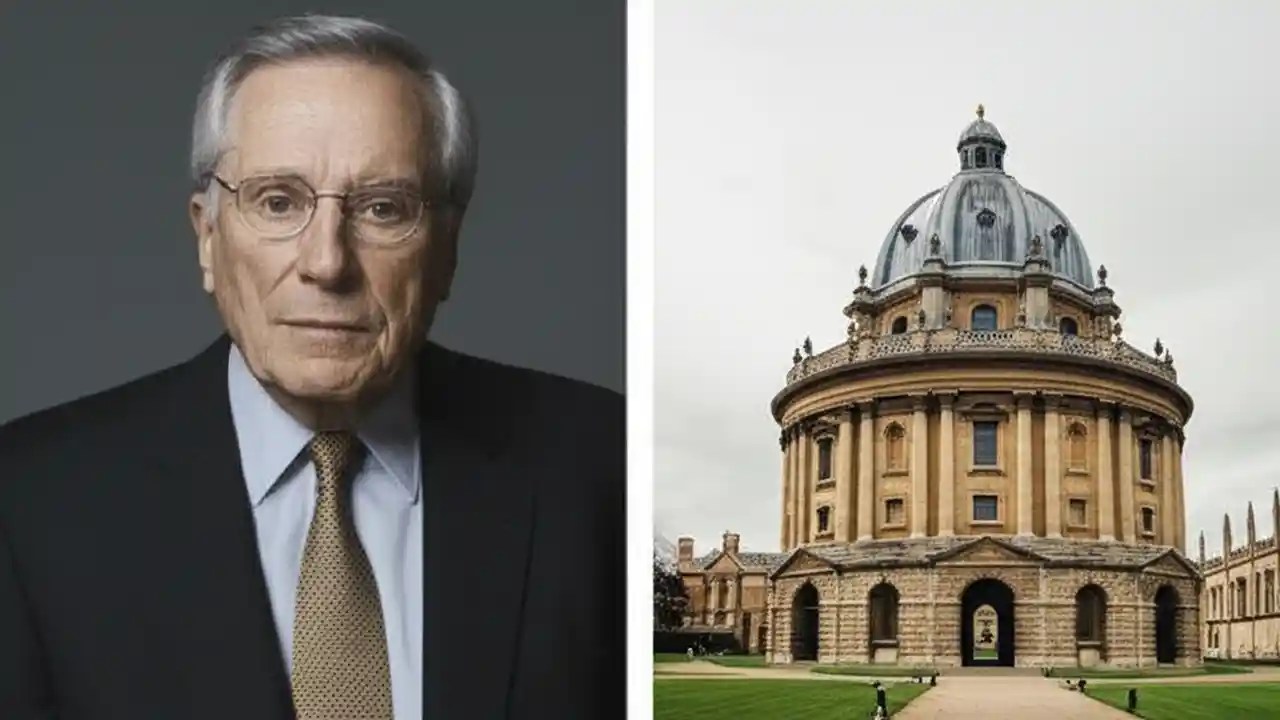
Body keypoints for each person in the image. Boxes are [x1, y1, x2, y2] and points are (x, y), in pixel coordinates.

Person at [0, 14, 623, 720]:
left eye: (383, 208)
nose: (327, 262)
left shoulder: (601, 466)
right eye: (277, 202)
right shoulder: (29, 501)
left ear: (447, 249)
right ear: (207, 236)